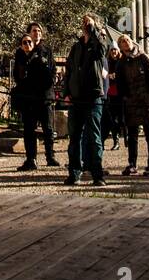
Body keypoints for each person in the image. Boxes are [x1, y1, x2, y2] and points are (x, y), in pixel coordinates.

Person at [63, 14, 108, 187]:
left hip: (93, 96)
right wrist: (67, 92)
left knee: (94, 136)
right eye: (83, 23)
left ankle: (97, 174)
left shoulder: (98, 43)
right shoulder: (76, 47)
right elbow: (69, 70)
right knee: (74, 137)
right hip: (76, 97)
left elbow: (101, 51)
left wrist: (94, 30)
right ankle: (74, 173)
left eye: (87, 23)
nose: (85, 25)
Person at [13, 26, 60, 170]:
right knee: (29, 129)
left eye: (39, 31)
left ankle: (50, 156)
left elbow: (52, 71)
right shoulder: (21, 54)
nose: (36, 33)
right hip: (29, 98)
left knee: (48, 128)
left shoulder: (46, 50)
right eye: (34, 31)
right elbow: (18, 75)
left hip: (45, 96)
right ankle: (31, 159)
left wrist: (49, 82)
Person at [118, 33, 149, 176]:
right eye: (123, 41)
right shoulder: (122, 62)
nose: (126, 43)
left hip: (146, 100)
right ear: (120, 46)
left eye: (128, 40)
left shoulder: (143, 57)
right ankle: (132, 164)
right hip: (131, 101)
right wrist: (124, 97)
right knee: (132, 135)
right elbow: (120, 81)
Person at [105, 45, 125, 150]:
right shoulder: (107, 62)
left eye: (115, 50)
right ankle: (116, 141)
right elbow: (104, 74)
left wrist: (117, 75)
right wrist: (108, 76)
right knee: (113, 119)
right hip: (111, 93)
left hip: (121, 94)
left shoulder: (122, 62)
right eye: (112, 50)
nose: (113, 51)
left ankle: (126, 138)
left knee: (122, 119)